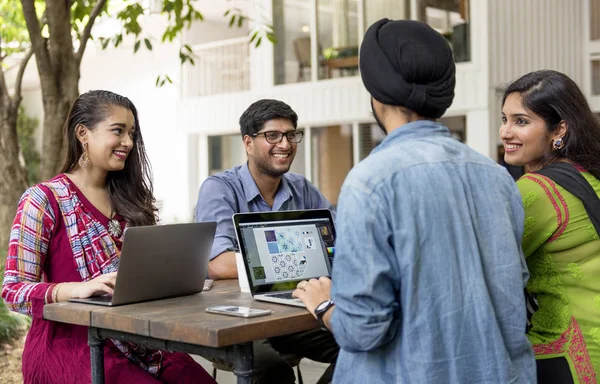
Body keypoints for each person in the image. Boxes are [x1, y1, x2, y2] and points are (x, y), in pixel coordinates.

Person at [292, 19, 537, 383]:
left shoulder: (370, 181)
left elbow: (362, 330)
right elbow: (513, 296)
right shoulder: (497, 177)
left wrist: (324, 303)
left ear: (376, 93)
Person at [1, 90, 215, 384]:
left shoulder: (131, 202)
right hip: (71, 346)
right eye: (118, 131)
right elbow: (13, 292)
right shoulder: (43, 200)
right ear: (83, 134)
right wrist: (74, 289)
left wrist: (178, 281)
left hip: (141, 342)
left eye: (132, 134)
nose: (128, 142)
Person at [195, 99, 338, 384]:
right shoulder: (219, 188)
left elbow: (339, 243)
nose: (285, 144)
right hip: (235, 319)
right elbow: (217, 263)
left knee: (362, 345)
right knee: (272, 370)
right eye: (272, 135)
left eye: (290, 134)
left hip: (292, 309)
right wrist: (297, 264)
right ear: (248, 143)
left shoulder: (302, 188)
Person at [499, 70, 600, 383]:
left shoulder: (535, 190)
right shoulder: (591, 177)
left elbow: (484, 269)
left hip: (567, 357)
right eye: (504, 119)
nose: (505, 132)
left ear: (560, 129)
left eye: (521, 121)